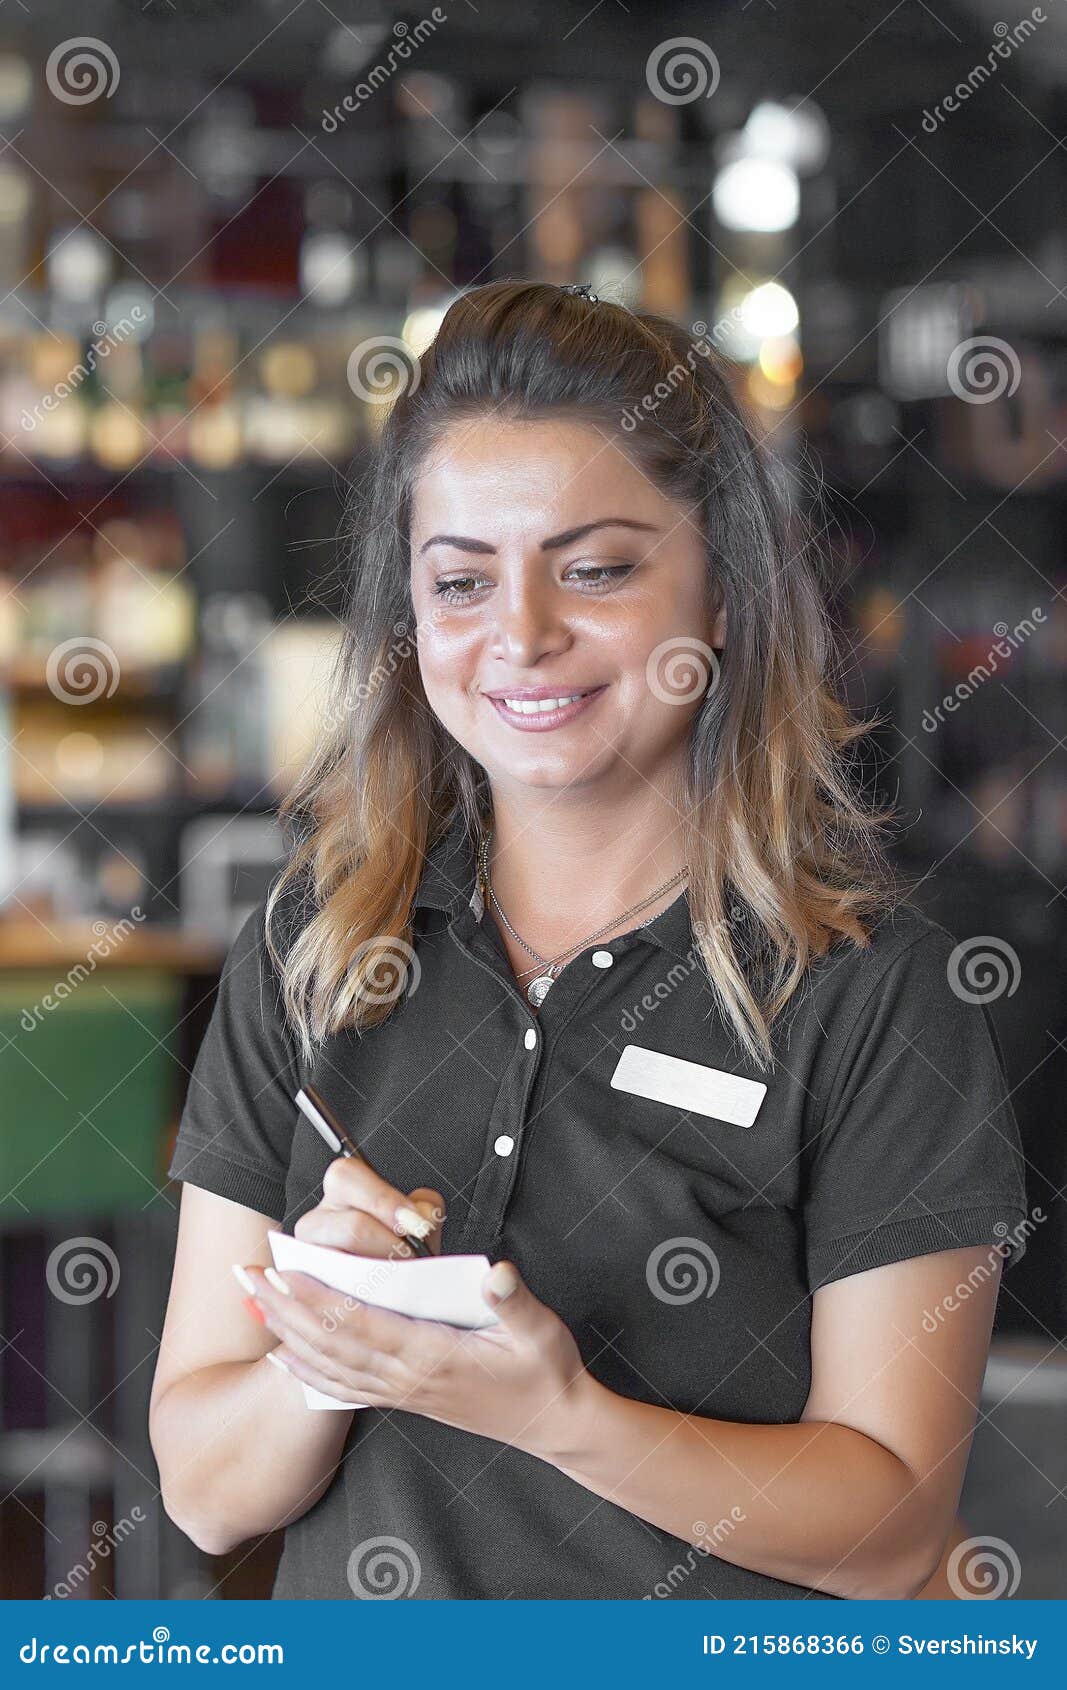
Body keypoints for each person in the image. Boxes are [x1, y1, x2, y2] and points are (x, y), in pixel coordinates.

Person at [151, 280, 1029, 1601]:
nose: (523, 634)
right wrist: (328, 1343)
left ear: (725, 593)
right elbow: (206, 1489)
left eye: (598, 568)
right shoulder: (318, 943)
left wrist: (559, 1408)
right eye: (460, 579)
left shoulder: (873, 998)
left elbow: (892, 1528)